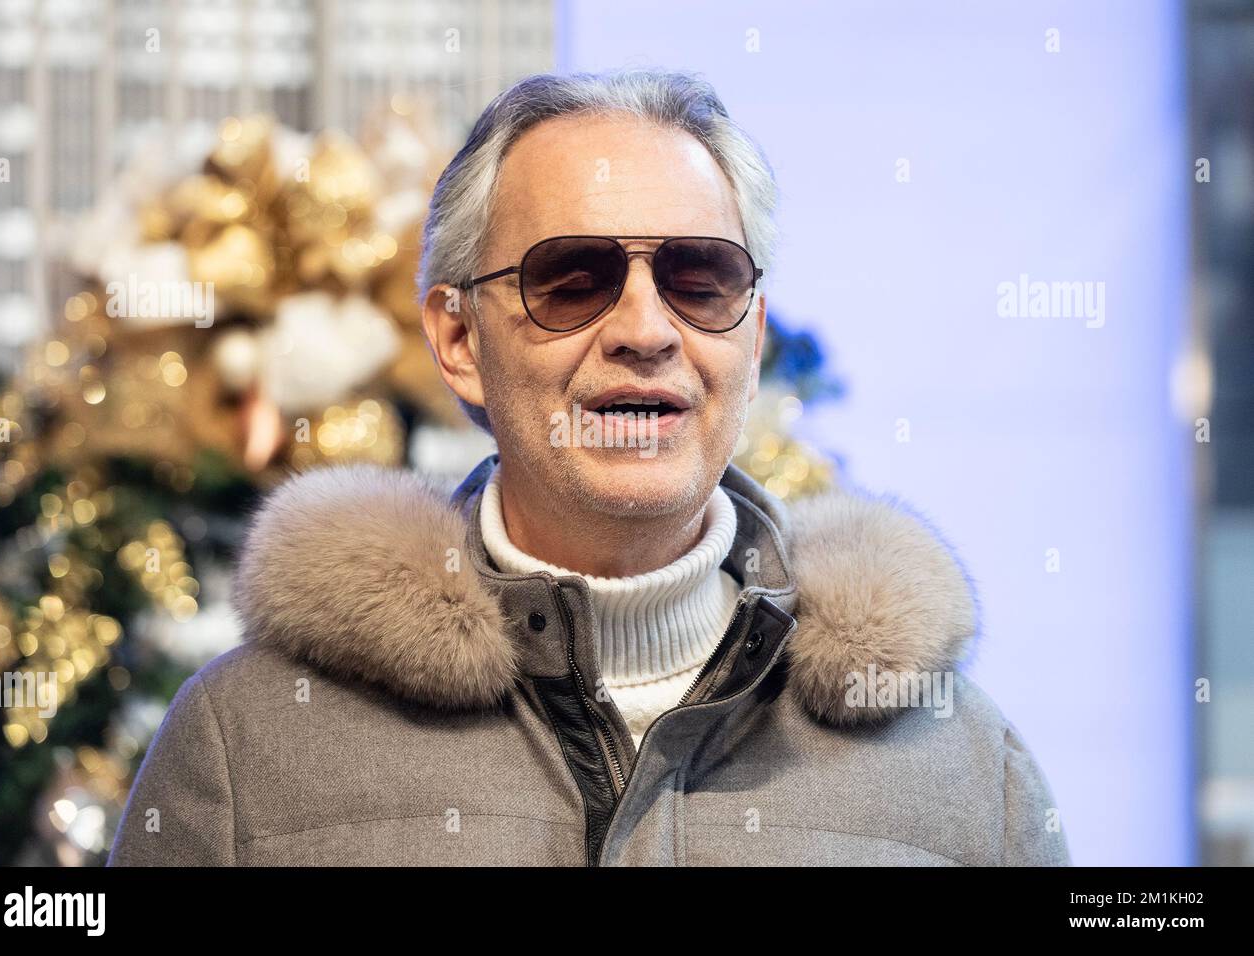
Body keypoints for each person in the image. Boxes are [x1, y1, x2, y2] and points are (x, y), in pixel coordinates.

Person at [109, 69, 1069, 866]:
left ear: (753, 332)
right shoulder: (249, 745)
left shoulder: (962, 765)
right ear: (456, 338)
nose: (648, 331)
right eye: (571, 279)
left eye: (700, 280)